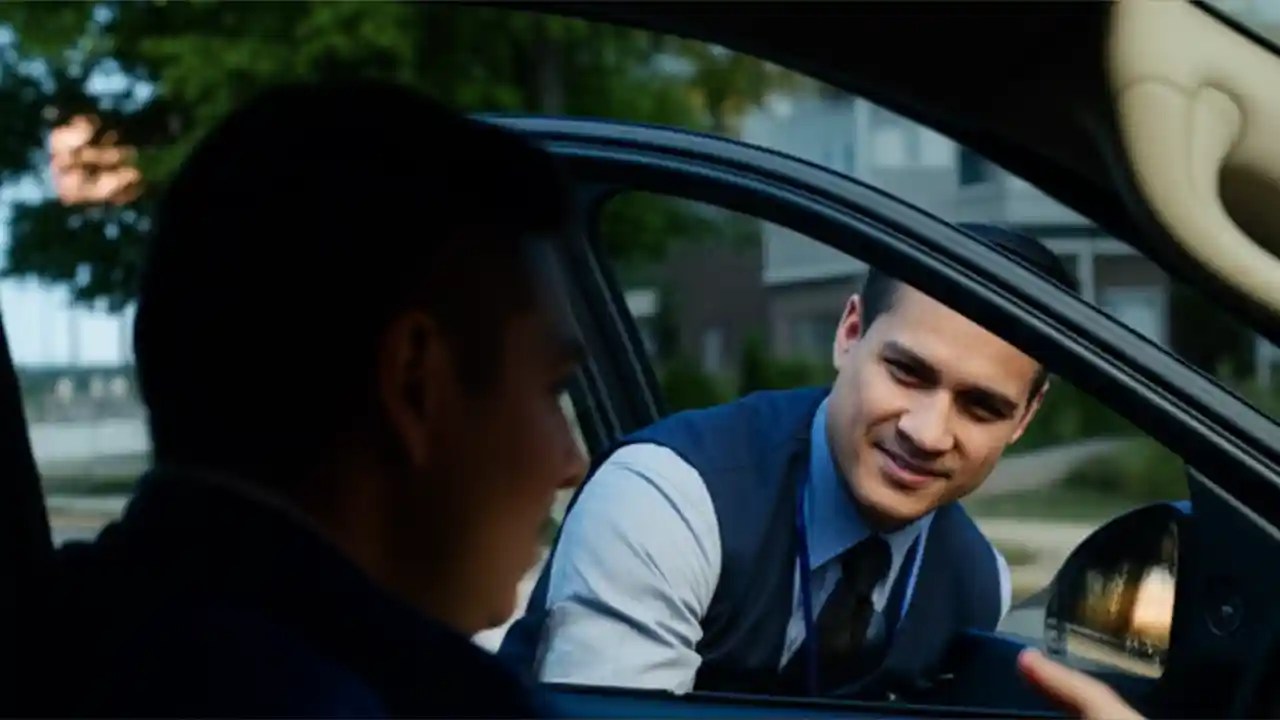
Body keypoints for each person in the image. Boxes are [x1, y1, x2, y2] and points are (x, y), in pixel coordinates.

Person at [48, 80, 587, 717]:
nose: (570, 461)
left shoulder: (70, 629)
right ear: (415, 383)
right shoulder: (385, 697)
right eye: (551, 389)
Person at [500, 223, 1080, 699]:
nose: (927, 434)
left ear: (1025, 417)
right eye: (907, 372)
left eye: (981, 406)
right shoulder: (666, 499)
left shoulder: (979, 581)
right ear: (849, 335)